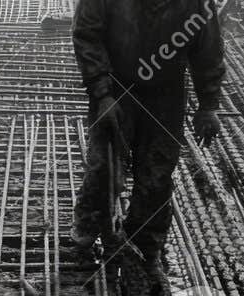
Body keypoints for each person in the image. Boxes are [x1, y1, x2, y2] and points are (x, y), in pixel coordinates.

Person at [71, 0, 226, 281]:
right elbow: (87, 34)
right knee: (105, 167)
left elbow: (208, 50)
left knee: (157, 175)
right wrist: (102, 91)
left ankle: (144, 250)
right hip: (116, 90)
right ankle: (86, 234)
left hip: (165, 96)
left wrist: (208, 104)